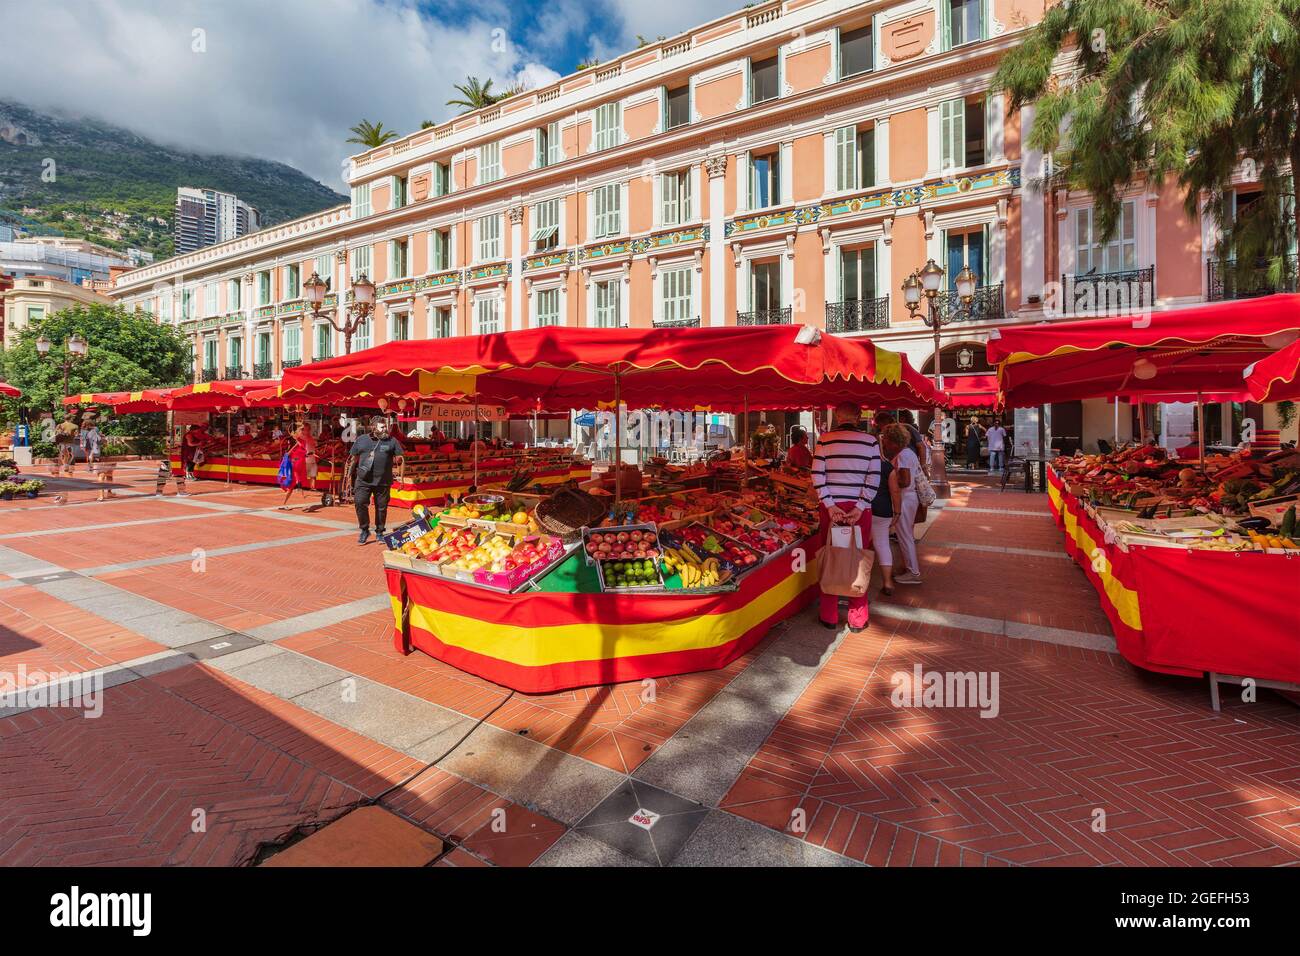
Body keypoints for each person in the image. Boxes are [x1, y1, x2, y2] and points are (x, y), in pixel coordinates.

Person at [810, 401, 882, 632]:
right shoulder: (871, 441)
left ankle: (829, 615)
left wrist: (830, 506)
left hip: (831, 507)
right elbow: (874, 478)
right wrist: (860, 507)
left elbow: (817, 476)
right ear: (859, 416)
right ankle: (857, 618)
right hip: (859, 510)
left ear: (837, 416)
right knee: (858, 558)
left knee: (831, 556)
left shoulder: (824, 440)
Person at [350, 416, 405, 544]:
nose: (385, 428)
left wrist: (399, 466)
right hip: (363, 480)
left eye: (385, 426)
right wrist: (349, 476)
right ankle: (364, 530)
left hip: (383, 481)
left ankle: (380, 532)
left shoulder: (392, 441)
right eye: (382, 426)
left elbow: (400, 457)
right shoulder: (361, 440)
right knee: (360, 503)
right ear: (373, 427)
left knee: (381, 508)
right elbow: (354, 458)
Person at [882, 423, 923, 584]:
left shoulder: (903, 455)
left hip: (905, 499)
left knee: (905, 536)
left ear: (893, 440)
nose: (884, 442)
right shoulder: (907, 453)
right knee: (905, 535)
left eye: (886, 439)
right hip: (908, 499)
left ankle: (913, 572)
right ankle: (909, 568)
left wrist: (889, 481)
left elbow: (905, 481)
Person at [871, 450, 901, 596]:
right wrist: (897, 511)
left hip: (862, 508)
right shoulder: (887, 466)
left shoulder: (861, 464)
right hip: (883, 509)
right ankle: (888, 582)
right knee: (882, 544)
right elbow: (895, 491)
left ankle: (857, 578)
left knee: (859, 544)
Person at [280, 423, 315, 508]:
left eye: (304, 430)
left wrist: (307, 454)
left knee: (293, 487)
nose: (303, 431)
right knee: (297, 482)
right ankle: (304, 501)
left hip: (301, 463)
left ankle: (284, 504)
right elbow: (289, 452)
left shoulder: (303, 441)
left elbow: (302, 452)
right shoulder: (297, 440)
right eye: (301, 430)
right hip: (296, 463)